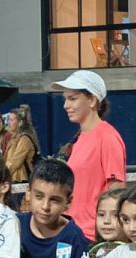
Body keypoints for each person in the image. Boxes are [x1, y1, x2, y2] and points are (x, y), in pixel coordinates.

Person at [52, 70, 126, 240]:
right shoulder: (79, 139)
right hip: (71, 231)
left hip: (92, 238)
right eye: (65, 99)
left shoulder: (107, 137)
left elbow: (117, 193)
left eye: (72, 98)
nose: (65, 105)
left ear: (92, 100)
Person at [5, 105, 39, 197]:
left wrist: (3, 175)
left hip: (21, 181)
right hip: (13, 180)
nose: (8, 123)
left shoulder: (24, 139)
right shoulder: (15, 138)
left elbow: (16, 162)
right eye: (9, 119)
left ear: (20, 123)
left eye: (11, 120)